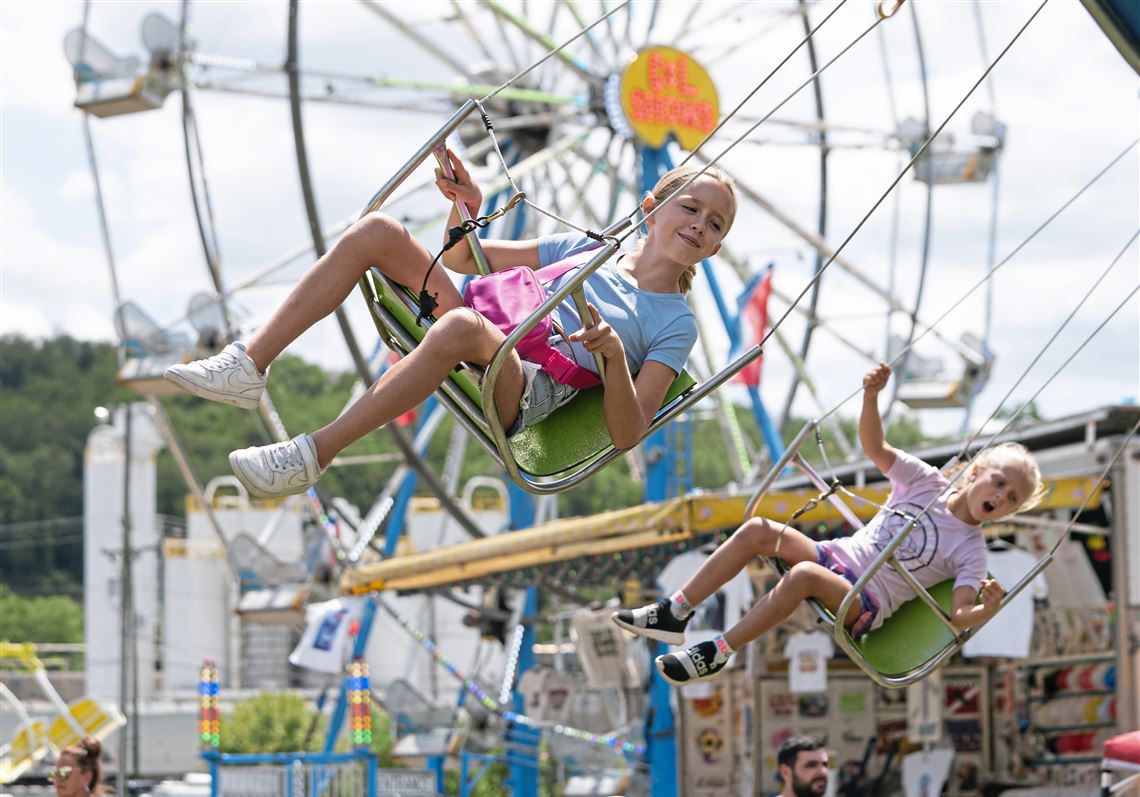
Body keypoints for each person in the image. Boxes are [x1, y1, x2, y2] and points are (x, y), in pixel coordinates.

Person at [165, 149, 736, 498]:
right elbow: (466, 260)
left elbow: (629, 432)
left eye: (715, 225)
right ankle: (249, 365)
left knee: (460, 327)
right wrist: (467, 207)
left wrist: (612, 356)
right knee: (378, 233)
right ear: (650, 208)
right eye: (691, 207)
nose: (700, 226)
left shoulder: (673, 324)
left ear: (713, 249)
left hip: (526, 381)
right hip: (482, 313)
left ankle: (314, 454)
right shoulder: (586, 246)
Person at [613, 362, 1046, 685]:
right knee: (759, 528)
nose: (1000, 497)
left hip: (865, 599)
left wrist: (984, 610)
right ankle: (675, 611)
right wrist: (872, 396)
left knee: (803, 575)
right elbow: (875, 448)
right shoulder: (926, 481)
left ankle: (719, 650)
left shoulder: (971, 550)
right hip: (837, 555)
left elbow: (959, 612)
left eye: (1012, 499)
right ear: (975, 473)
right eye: (999, 483)